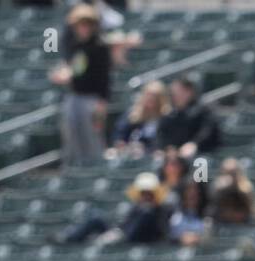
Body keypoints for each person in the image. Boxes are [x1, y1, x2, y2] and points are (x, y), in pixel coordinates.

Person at [50, 4, 109, 166]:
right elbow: (73, 69)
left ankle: (95, 169)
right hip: (74, 96)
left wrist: (102, 102)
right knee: (71, 137)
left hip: (91, 98)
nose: (83, 28)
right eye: (80, 24)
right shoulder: (75, 46)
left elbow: (104, 77)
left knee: (92, 138)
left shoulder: (99, 46)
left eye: (87, 24)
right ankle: (75, 169)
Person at [156, 75, 222, 158]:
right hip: (175, 157)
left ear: (189, 92)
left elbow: (207, 131)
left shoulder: (204, 109)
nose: (174, 95)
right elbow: (162, 134)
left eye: (179, 91)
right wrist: (164, 148)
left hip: (203, 153)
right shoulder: (170, 113)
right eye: (173, 92)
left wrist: (195, 144)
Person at [110, 80, 168, 156]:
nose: (151, 99)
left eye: (155, 96)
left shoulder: (167, 117)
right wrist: (125, 146)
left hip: (155, 153)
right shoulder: (132, 114)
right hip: (132, 151)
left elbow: (166, 142)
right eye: (149, 95)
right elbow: (119, 136)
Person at [210, 157, 255, 224]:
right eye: (226, 172)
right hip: (221, 222)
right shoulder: (218, 186)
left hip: (242, 223)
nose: (229, 176)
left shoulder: (246, 186)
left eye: (232, 173)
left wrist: (235, 185)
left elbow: (251, 209)